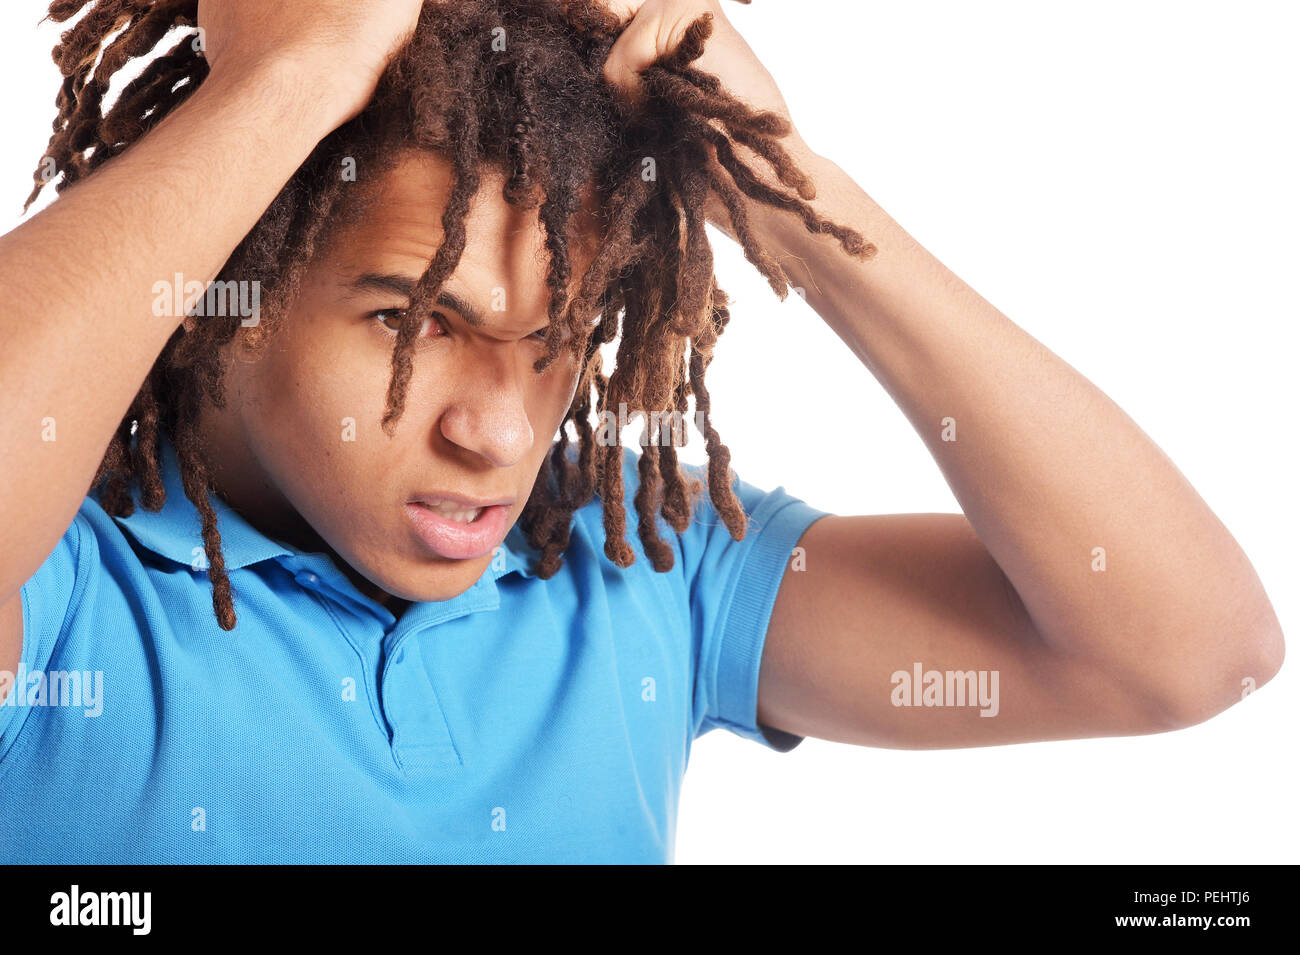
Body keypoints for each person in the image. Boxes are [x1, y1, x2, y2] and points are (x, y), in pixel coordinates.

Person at [0, 0, 1284, 863]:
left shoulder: (632, 559)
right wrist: (278, 92)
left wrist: (797, 198)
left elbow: (1188, 653)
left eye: (556, 340)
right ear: (234, 282)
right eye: (412, 322)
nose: (499, 431)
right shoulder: (63, 588)